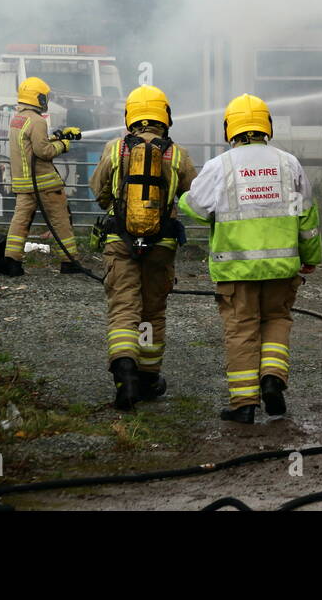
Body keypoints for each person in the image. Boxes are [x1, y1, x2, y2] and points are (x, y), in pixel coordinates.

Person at [178, 93, 322, 423]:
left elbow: (197, 207)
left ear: (229, 127)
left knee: (241, 329)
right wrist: (311, 257)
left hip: (236, 270)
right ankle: (272, 378)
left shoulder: (220, 165)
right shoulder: (289, 163)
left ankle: (244, 406)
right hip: (282, 268)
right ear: (266, 126)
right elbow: (306, 216)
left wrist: (186, 200)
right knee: (276, 320)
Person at [89, 85, 197, 410]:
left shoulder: (116, 148)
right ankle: (149, 378)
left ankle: (125, 374)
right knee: (151, 310)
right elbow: (192, 193)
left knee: (124, 306)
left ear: (130, 115)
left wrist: (119, 210)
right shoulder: (176, 153)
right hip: (162, 242)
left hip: (119, 239)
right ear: (165, 116)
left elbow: (99, 192)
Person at [4, 76, 81, 276]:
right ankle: (69, 262)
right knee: (61, 221)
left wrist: (58, 135)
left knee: (20, 222)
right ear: (37, 98)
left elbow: (33, 145)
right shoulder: (38, 121)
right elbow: (43, 151)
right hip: (45, 184)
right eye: (44, 97)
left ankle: (12, 262)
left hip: (24, 185)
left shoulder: (18, 120)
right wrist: (63, 145)